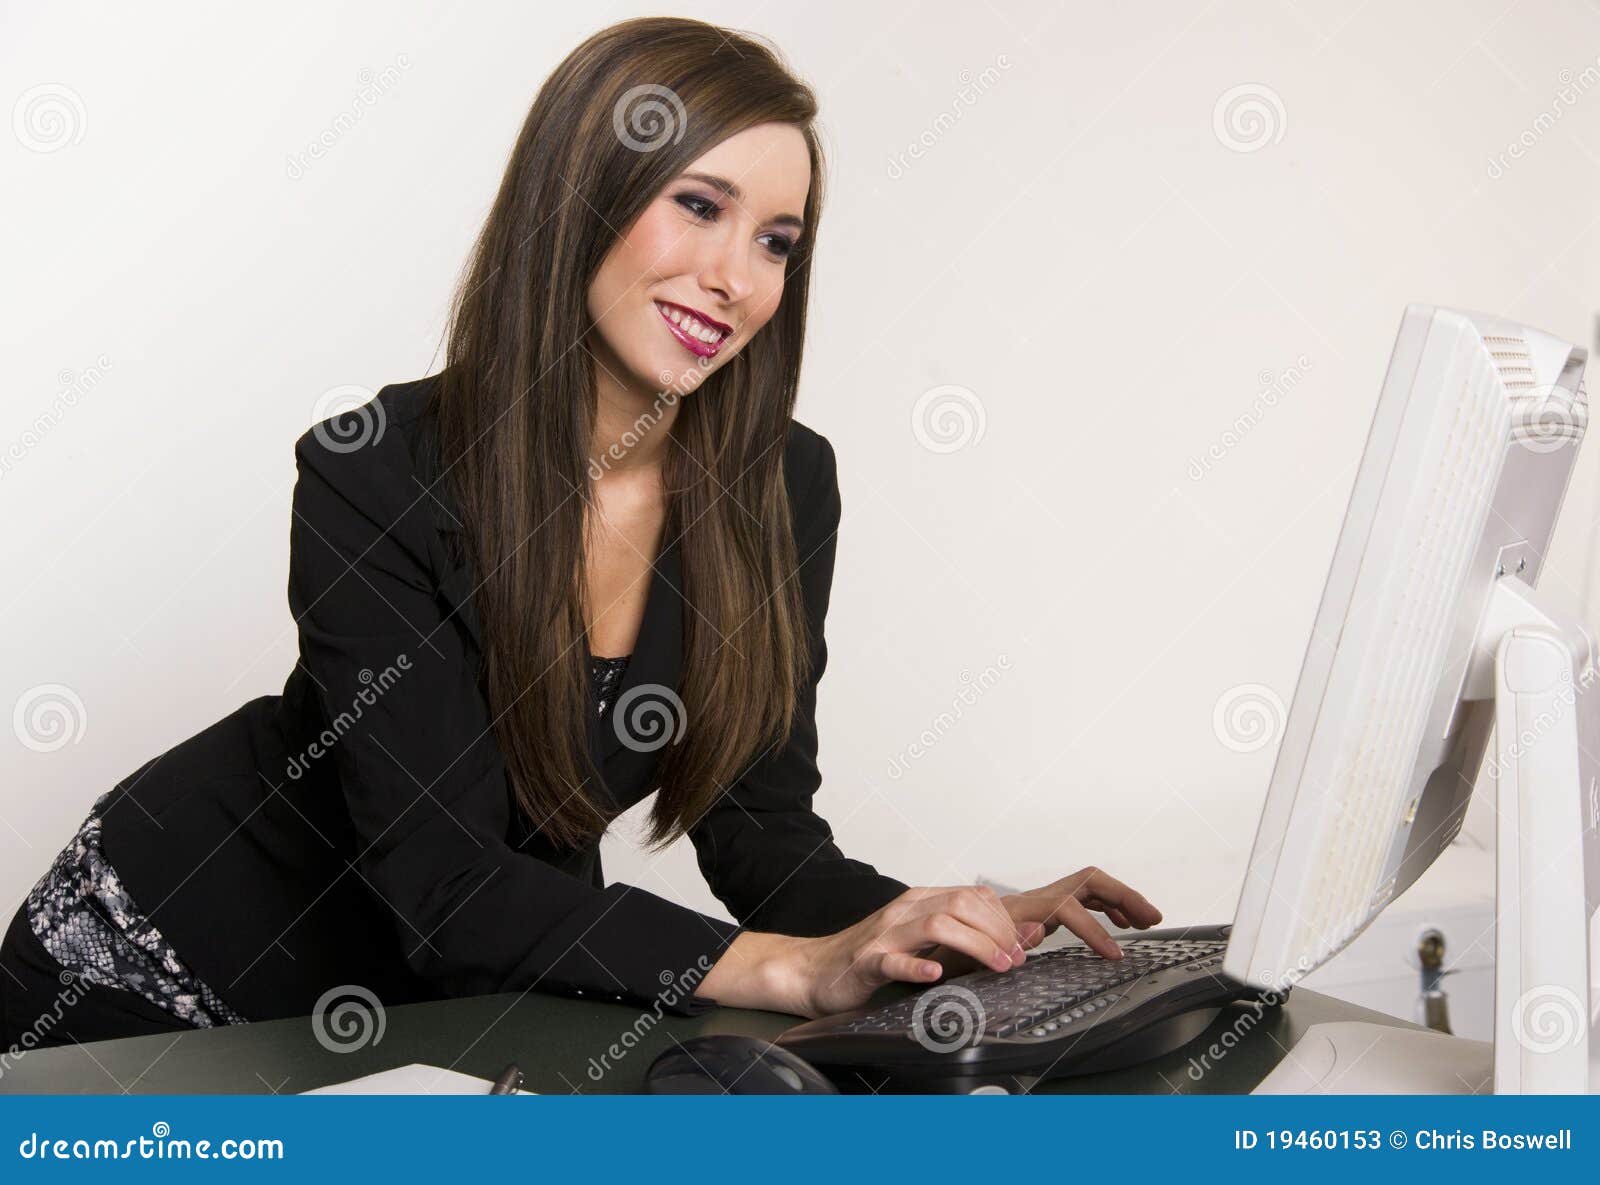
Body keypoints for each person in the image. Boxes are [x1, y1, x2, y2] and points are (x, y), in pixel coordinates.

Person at [0, 16, 1161, 1053]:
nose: (734, 279)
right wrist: (791, 971)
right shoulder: (371, 468)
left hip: (428, 1009)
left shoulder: (785, 485)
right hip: (152, 976)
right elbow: (447, 886)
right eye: (699, 206)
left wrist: (936, 933)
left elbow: (761, 833)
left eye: (777, 241)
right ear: (584, 197)